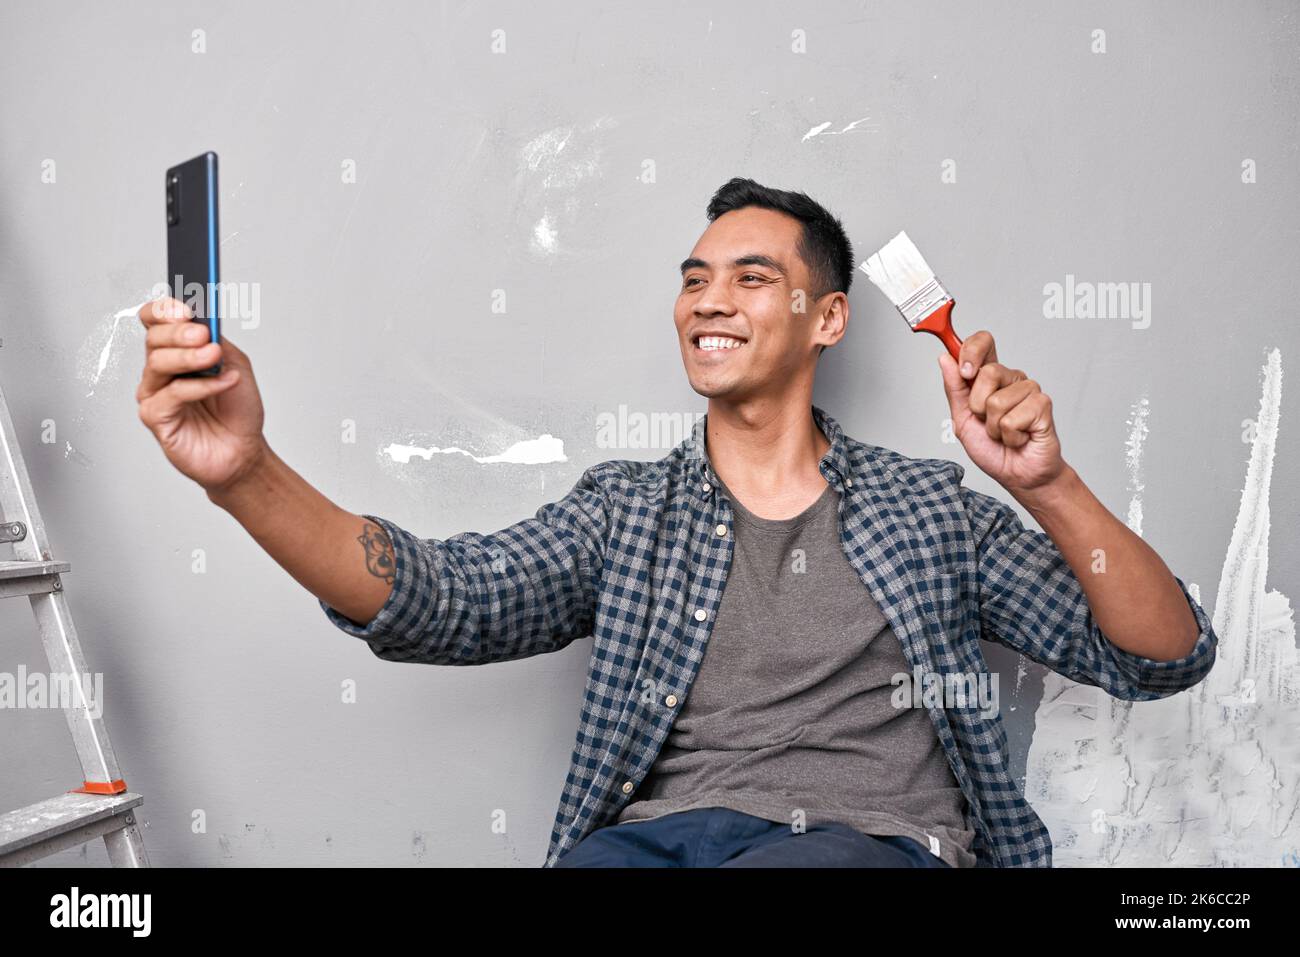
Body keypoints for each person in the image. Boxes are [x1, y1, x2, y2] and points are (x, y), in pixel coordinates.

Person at [135, 177, 1218, 868]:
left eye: (752, 277)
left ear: (827, 317)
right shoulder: (626, 512)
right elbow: (440, 600)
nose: (707, 300)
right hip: (653, 847)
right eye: (694, 278)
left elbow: (1161, 657)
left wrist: (1046, 483)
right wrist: (243, 475)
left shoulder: (929, 511)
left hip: (861, 849)